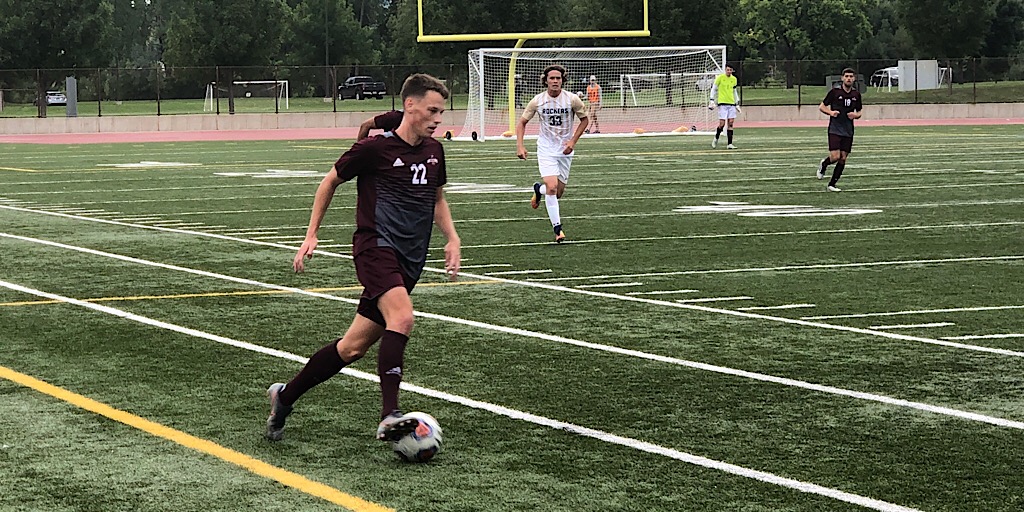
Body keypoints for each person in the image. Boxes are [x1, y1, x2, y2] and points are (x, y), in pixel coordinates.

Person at [265, 73, 461, 444]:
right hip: (375, 247)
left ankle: (284, 397)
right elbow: (330, 181)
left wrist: (452, 238)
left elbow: (437, 200)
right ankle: (389, 415)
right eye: (433, 110)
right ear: (410, 105)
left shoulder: (435, 151)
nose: (438, 119)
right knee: (402, 318)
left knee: (352, 347)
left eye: (441, 112)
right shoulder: (376, 149)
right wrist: (311, 234)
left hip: (410, 258)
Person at [516, 65, 589, 244]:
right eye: (552, 78)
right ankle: (558, 230)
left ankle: (538, 190)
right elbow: (522, 123)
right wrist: (520, 146)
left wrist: (572, 141)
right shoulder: (538, 101)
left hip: (564, 150)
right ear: (546, 80)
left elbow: (584, 120)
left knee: (557, 192)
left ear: (563, 80)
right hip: (546, 149)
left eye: (558, 78)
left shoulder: (572, 99)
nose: (555, 81)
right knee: (552, 186)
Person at [817, 68, 863, 192]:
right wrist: (831, 112)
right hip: (835, 128)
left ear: (854, 79)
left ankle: (832, 184)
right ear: (842, 78)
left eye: (851, 76)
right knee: (835, 156)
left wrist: (856, 116)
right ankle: (824, 164)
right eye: (846, 76)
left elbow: (859, 112)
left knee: (843, 158)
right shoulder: (835, 92)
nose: (849, 78)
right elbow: (822, 106)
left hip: (848, 130)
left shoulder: (856, 95)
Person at [708, 64, 740, 149]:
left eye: (730, 70)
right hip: (722, 104)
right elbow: (714, 89)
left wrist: (737, 103)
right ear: (725, 70)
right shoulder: (720, 78)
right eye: (728, 70)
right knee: (722, 124)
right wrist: (711, 100)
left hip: (731, 104)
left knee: (731, 123)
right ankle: (716, 138)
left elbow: (734, 91)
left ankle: (729, 144)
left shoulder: (734, 79)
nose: (729, 71)